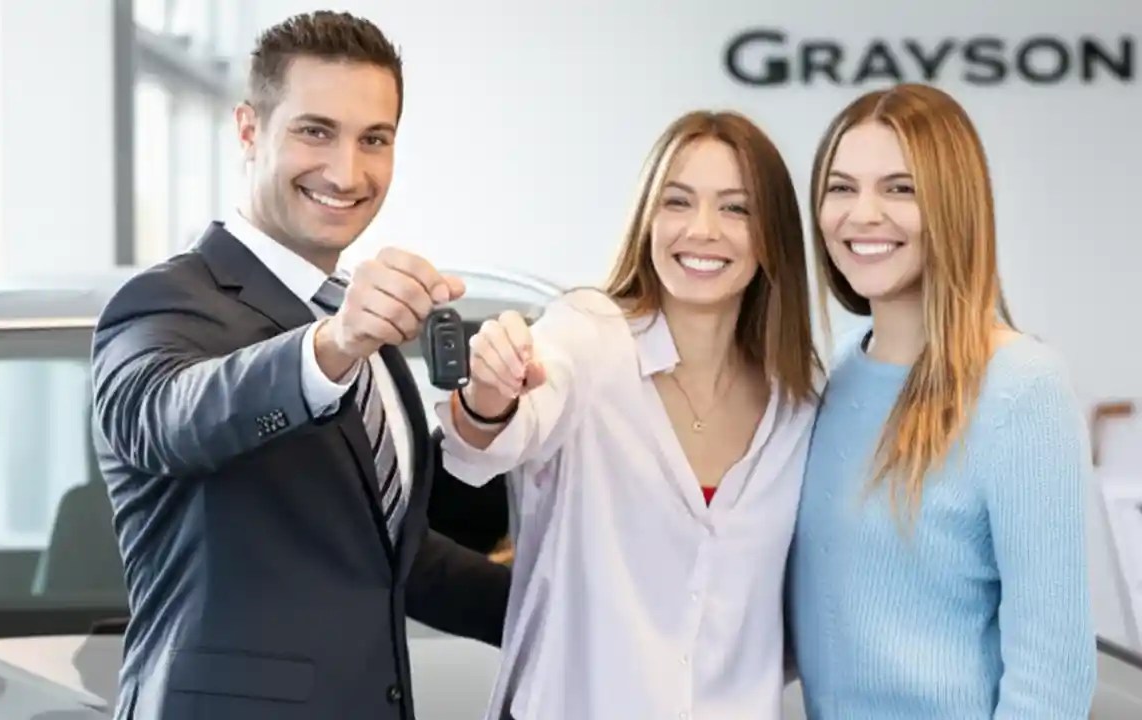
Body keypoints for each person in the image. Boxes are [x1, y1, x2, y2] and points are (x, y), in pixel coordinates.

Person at [89, 11, 509, 720]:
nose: (347, 172)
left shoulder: (356, 328)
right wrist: (332, 346)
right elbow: (168, 419)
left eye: (373, 139)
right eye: (315, 131)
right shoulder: (166, 301)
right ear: (250, 131)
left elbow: (400, 557)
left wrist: (577, 620)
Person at [435, 110, 821, 719]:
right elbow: (492, 441)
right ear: (648, 218)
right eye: (677, 202)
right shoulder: (589, 334)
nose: (702, 230)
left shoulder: (799, 404)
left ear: (772, 234)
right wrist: (492, 394)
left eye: (735, 208)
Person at [786, 83, 1097, 719]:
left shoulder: (1022, 387)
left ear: (954, 206)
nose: (862, 214)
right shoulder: (839, 369)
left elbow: (1053, 676)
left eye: (899, 188)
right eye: (841, 187)